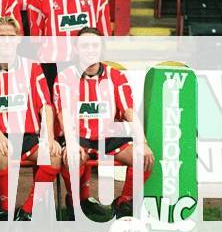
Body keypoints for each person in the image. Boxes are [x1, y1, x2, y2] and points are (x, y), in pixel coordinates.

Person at [53, 28, 154, 220]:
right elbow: (63, 113)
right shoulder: (65, 77)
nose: (90, 50)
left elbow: (128, 111)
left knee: (145, 159)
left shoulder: (116, 77)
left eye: (95, 45)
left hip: (108, 136)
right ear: (76, 49)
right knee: (72, 159)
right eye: (85, 45)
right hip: (78, 137)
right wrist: (72, 144)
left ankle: (124, 202)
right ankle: (76, 201)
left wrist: (142, 142)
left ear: (101, 49)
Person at [0, 17, 59, 221]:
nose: (6, 41)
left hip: (28, 135)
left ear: (19, 39)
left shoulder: (32, 67)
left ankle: (28, 211)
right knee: (0, 151)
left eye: (10, 37)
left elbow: (45, 106)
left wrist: (48, 137)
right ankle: (7, 209)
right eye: (1, 36)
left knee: (54, 155)